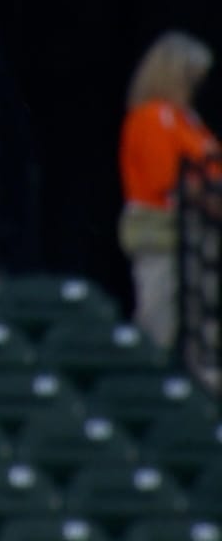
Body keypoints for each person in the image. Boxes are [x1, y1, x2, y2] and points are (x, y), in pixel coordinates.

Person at [118, 29, 221, 351]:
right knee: (160, 316)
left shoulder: (187, 120)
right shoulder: (151, 117)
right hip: (162, 231)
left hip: (200, 233)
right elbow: (171, 182)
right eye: (191, 76)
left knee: (202, 321)